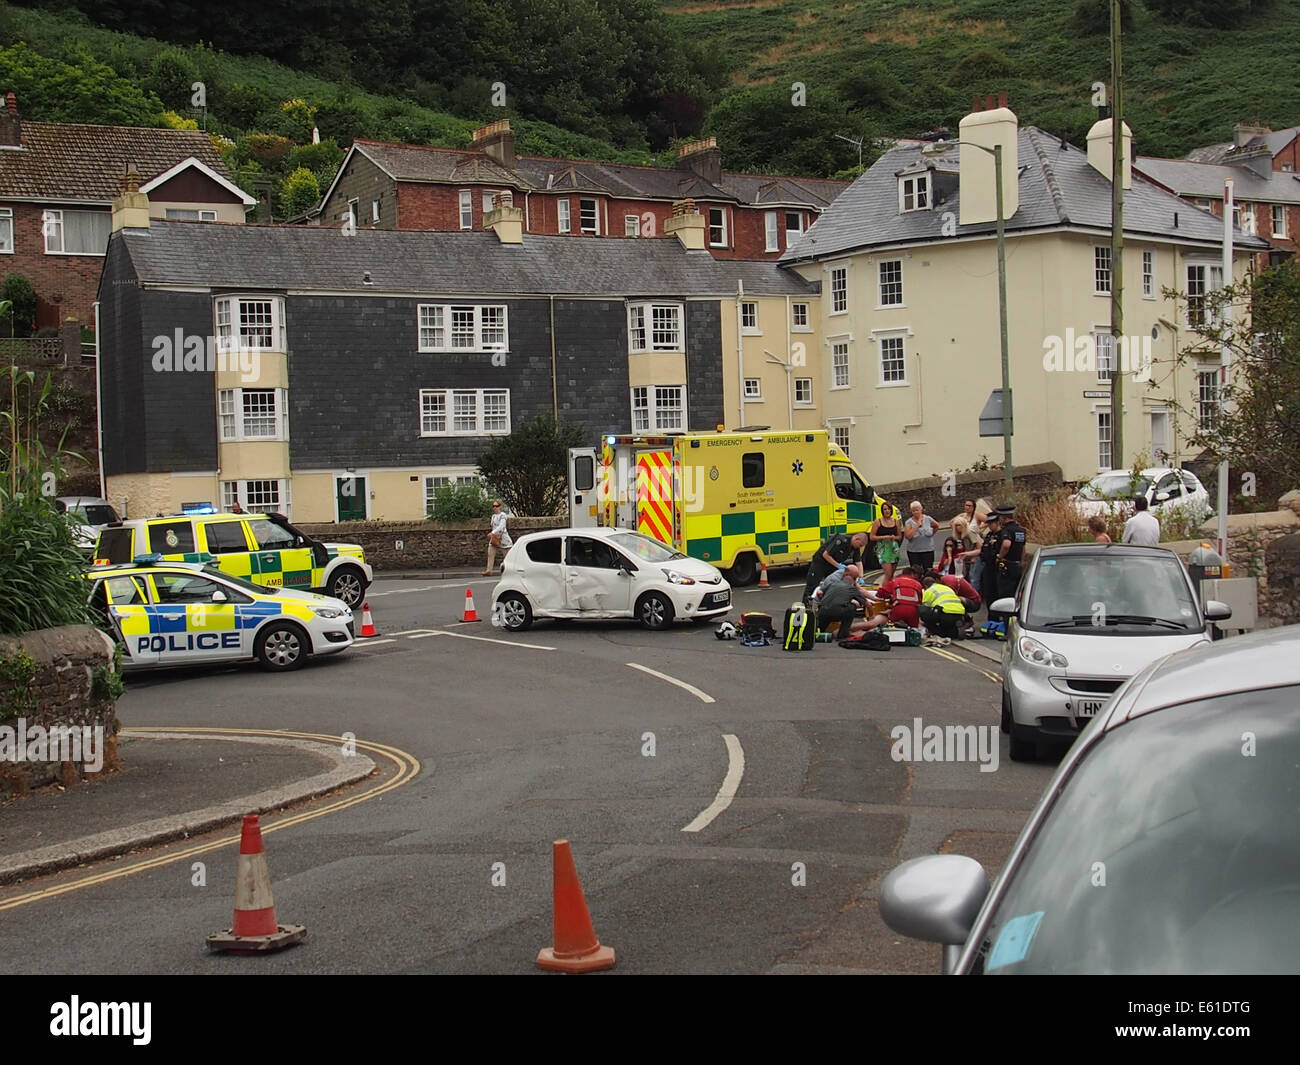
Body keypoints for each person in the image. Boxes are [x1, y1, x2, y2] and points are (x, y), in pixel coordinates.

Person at [802, 530, 868, 603]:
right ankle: (805, 605)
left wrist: (861, 576)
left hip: (832, 565)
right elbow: (826, 554)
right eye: (860, 545)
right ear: (856, 539)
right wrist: (838, 565)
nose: (860, 547)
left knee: (834, 585)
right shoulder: (841, 540)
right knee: (812, 586)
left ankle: (826, 604)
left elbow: (858, 562)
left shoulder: (855, 547)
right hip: (820, 563)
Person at [862, 564, 926, 632]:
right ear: (913, 574)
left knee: (894, 629)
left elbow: (880, 593)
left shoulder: (895, 581)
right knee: (914, 631)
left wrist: (889, 596)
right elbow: (919, 601)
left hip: (898, 609)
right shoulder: (918, 584)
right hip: (913, 611)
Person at [817, 565, 874, 638]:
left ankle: (819, 631)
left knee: (820, 627)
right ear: (854, 580)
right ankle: (843, 633)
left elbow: (820, 593)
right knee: (852, 607)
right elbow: (868, 605)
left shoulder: (833, 584)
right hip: (837, 613)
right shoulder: (852, 589)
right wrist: (872, 619)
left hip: (823, 612)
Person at [993, 504, 1027, 619]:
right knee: (1016, 595)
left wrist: (1000, 556)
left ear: (1003, 518)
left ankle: (1006, 625)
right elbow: (1023, 548)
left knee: (1005, 597)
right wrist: (1021, 562)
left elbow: (1006, 545)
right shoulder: (1020, 530)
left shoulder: (1007, 530)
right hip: (1017, 566)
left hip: (1007, 566)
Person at [973, 509, 1003, 620]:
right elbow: (983, 551)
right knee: (988, 594)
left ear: (997, 522)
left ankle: (998, 619)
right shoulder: (989, 535)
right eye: (988, 523)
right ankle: (991, 619)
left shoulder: (1002, 535)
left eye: (991, 523)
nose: (989, 526)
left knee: (997, 595)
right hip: (987, 568)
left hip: (997, 569)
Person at [920, 575, 966, 642]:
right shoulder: (946, 588)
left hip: (945, 613)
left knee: (923, 610)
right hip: (960, 612)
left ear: (925, 586)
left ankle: (937, 632)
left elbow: (926, 608)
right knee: (949, 627)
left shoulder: (928, 591)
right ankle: (955, 630)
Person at [938, 571, 982, 637]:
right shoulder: (945, 579)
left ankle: (965, 622)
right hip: (970, 600)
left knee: (955, 600)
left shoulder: (949, 583)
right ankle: (966, 620)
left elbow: (951, 598)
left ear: (936, 580)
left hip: (974, 603)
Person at [870, 503, 903, 583]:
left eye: (888, 509)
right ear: (882, 511)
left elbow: (899, 536)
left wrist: (893, 537)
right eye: (885, 509)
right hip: (883, 548)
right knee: (888, 574)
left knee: (892, 575)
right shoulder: (878, 522)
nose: (887, 511)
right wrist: (884, 537)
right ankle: (884, 593)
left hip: (894, 548)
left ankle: (890, 592)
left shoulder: (896, 522)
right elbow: (872, 537)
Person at [903, 500, 938, 572]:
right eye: (913, 511)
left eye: (917, 510)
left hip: (928, 550)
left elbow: (936, 526)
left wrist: (932, 533)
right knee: (916, 571)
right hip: (914, 552)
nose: (915, 512)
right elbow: (908, 536)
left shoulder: (928, 519)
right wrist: (917, 525)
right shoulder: (908, 522)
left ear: (921, 509)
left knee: (928, 570)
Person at [483, 500, 512, 574]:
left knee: (508, 556)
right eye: (494, 506)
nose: (495, 508)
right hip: (494, 537)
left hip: (503, 538)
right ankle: (489, 570)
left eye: (497, 506)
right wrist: (493, 533)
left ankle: (511, 570)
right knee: (490, 553)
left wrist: (492, 532)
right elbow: (493, 526)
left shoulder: (503, 515)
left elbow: (501, 526)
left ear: (500, 507)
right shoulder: (493, 516)